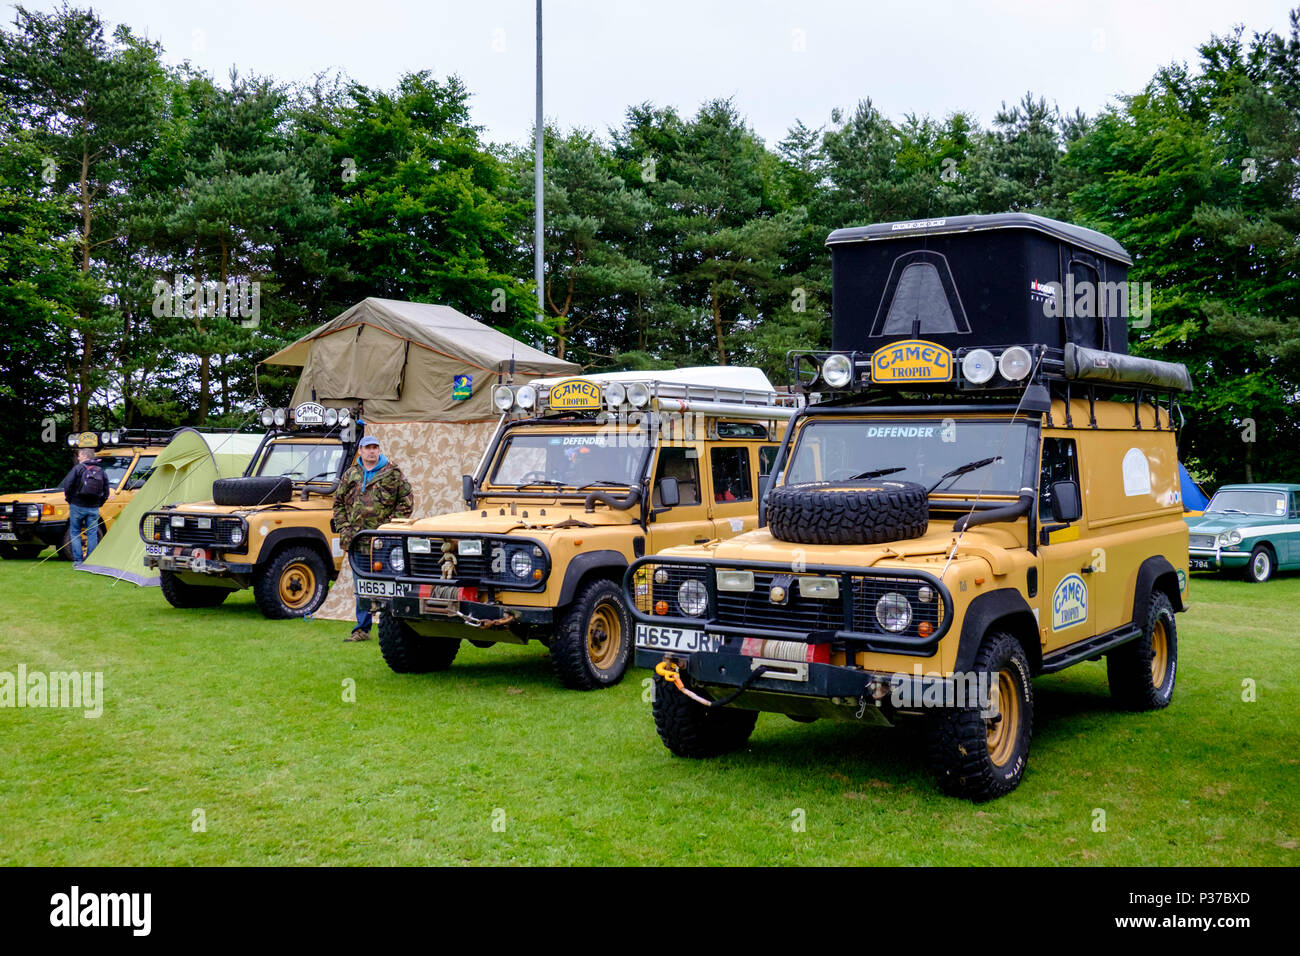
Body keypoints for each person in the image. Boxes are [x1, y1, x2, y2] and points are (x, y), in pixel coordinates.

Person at [333, 434, 414, 641]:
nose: (371, 451)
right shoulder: (351, 474)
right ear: (360, 451)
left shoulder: (392, 473)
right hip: (357, 540)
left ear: (379, 450)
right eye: (367, 447)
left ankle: (396, 628)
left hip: (383, 542)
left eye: (374, 447)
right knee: (362, 585)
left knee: (389, 583)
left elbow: (406, 502)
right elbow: (339, 504)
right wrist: (344, 528)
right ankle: (362, 629)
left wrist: (390, 527)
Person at [60, 448, 110, 564]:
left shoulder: (78, 469)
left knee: (75, 532)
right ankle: (90, 561)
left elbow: (68, 485)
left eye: (79, 455)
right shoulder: (100, 470)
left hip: (77, 505)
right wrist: (100, 503)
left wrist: (70, 499)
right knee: (92, 533)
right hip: (93, 507)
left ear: (85, 456)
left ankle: (78, 560)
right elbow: (106, 491)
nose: (78, 458)